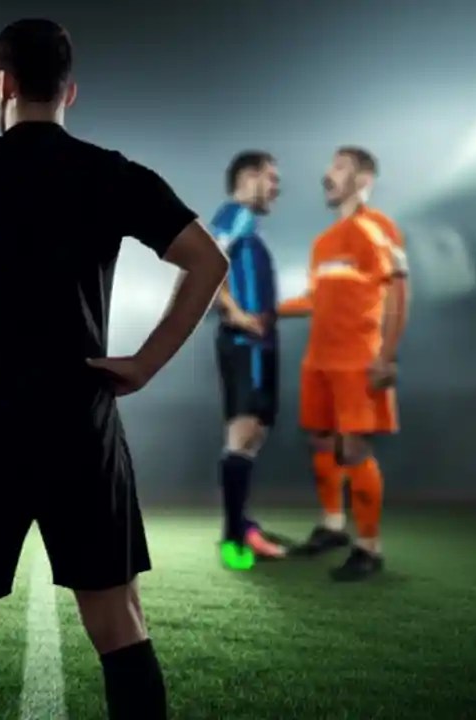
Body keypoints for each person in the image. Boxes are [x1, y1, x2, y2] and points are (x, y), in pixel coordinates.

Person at [0, 18, 227, 719]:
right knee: (120, 622)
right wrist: (145, 364)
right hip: (79, 413)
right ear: (71, 92)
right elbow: (207, 262)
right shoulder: (115, 175)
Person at [277, 147, 408, 581]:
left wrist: (387, 355)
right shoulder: (322, 244)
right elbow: (314, 299)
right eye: (329, 166)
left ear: (363, 178)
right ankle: (332, 526)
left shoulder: (379, 228)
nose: (327, 174)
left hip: (358, 359)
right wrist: (267, 310)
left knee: (353, 450)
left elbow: (397, 294)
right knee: (320, 443)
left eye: (339, 167)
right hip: (318, 358)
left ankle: (369, 547)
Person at [208, 150, 288, 568]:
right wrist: (236, 313)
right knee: (243, 433)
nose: (276, 187)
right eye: (271, 178)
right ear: (249, 176)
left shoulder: (248, 226)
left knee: (253, 434)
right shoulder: (234, 215)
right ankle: (233, 537)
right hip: (244, 344)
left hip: (260, 344)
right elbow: (207, 261)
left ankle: (242, 524)